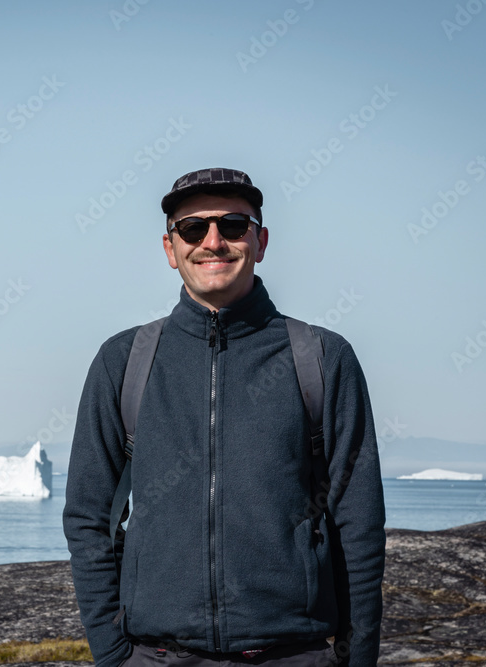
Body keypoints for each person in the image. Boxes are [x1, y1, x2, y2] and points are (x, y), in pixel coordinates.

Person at [62, 168, 385, 667]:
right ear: (170, 249)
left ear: (261, 240)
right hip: (157, 657)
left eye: (234, 225)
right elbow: (88, 517)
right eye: (193, 229)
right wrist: (114, 656)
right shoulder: (124, 361)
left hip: (294, 656)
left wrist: (356, 659)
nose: (213, 242)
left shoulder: (321, 358)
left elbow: (359, 526)